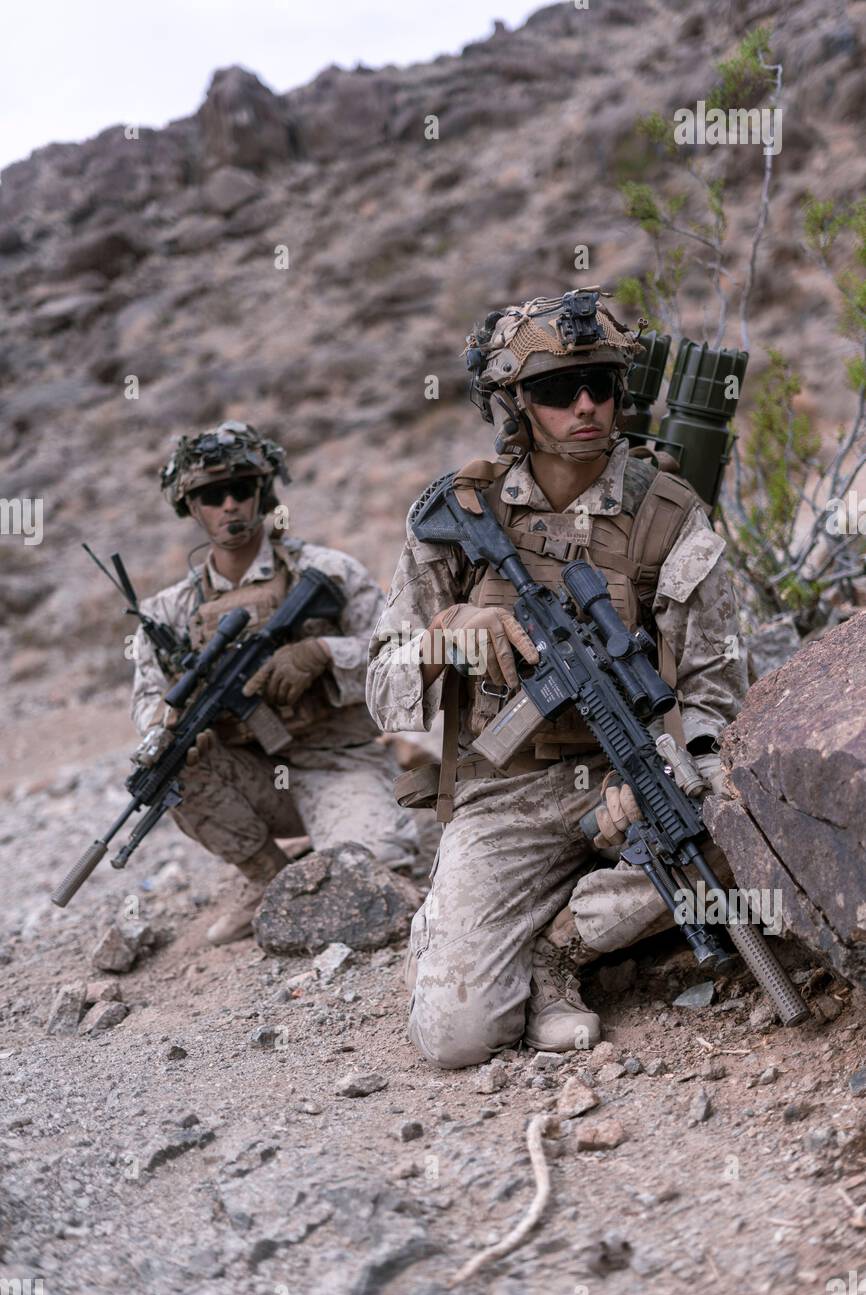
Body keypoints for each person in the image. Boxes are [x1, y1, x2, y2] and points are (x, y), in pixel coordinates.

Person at [366, 288, 747, 1068]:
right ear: (513, 403)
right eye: (554, 391)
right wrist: (447, 639)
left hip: (629, 768)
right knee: (456, 1039)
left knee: (742, 831)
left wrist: (662, 774)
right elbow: (380, 688)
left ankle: (559, 949)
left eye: (600, 384)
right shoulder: (459, 516)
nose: (584, 405)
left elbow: (716, 694)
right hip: (506, 790)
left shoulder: (671, 518)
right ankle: (462, 931)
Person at [131, 420, 417, 945]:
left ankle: (350, 839)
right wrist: (165, 720)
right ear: (190, 507)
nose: (230, 505)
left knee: (367, 872)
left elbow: (401, 654)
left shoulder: (328, 571)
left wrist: (323, 652)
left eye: (242, 489)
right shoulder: (169, 612)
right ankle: (269, 880)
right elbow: (147, 697)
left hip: (338, 761)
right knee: (167, 771)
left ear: (264, 492)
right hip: (254, 775)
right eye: (211, 495)